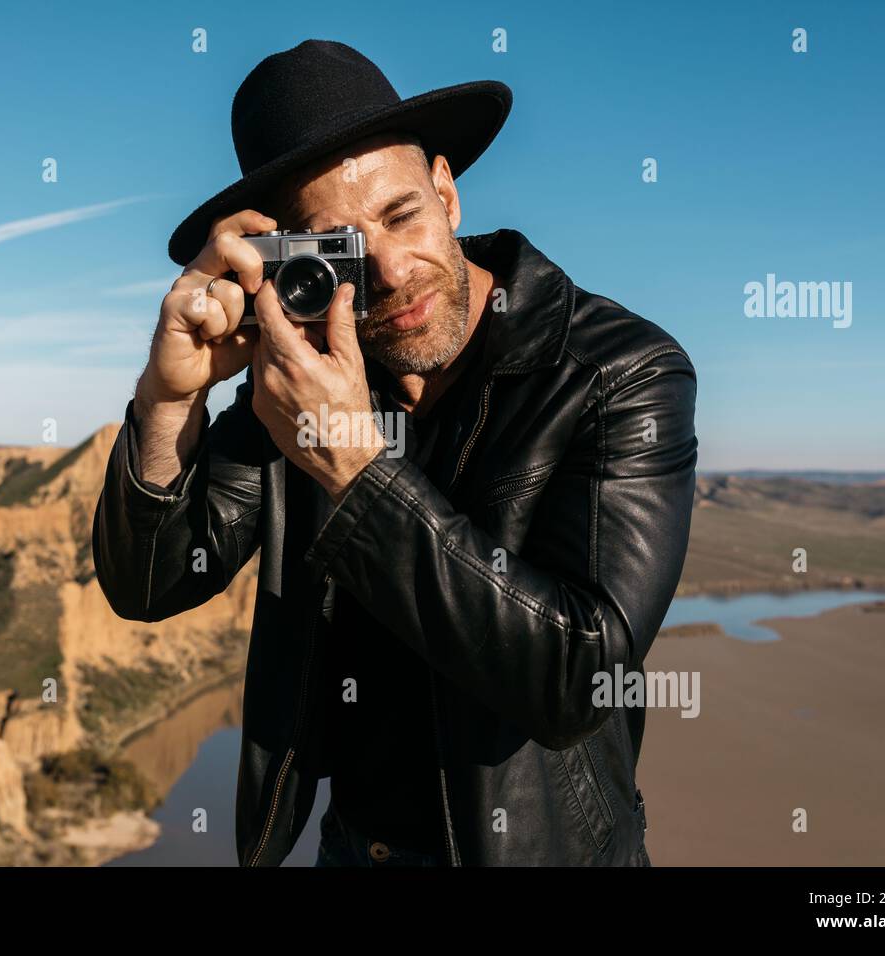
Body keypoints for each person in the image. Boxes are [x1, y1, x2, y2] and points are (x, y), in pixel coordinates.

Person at [92, 38, 697, 866]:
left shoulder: (616, 372)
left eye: (401, 214)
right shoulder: (300, 376)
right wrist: (168, 401)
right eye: (337, 246)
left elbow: (579, 675)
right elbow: (152, 581)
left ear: (447, 194)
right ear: (285, 262)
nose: (387, 268)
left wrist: (352, 464)